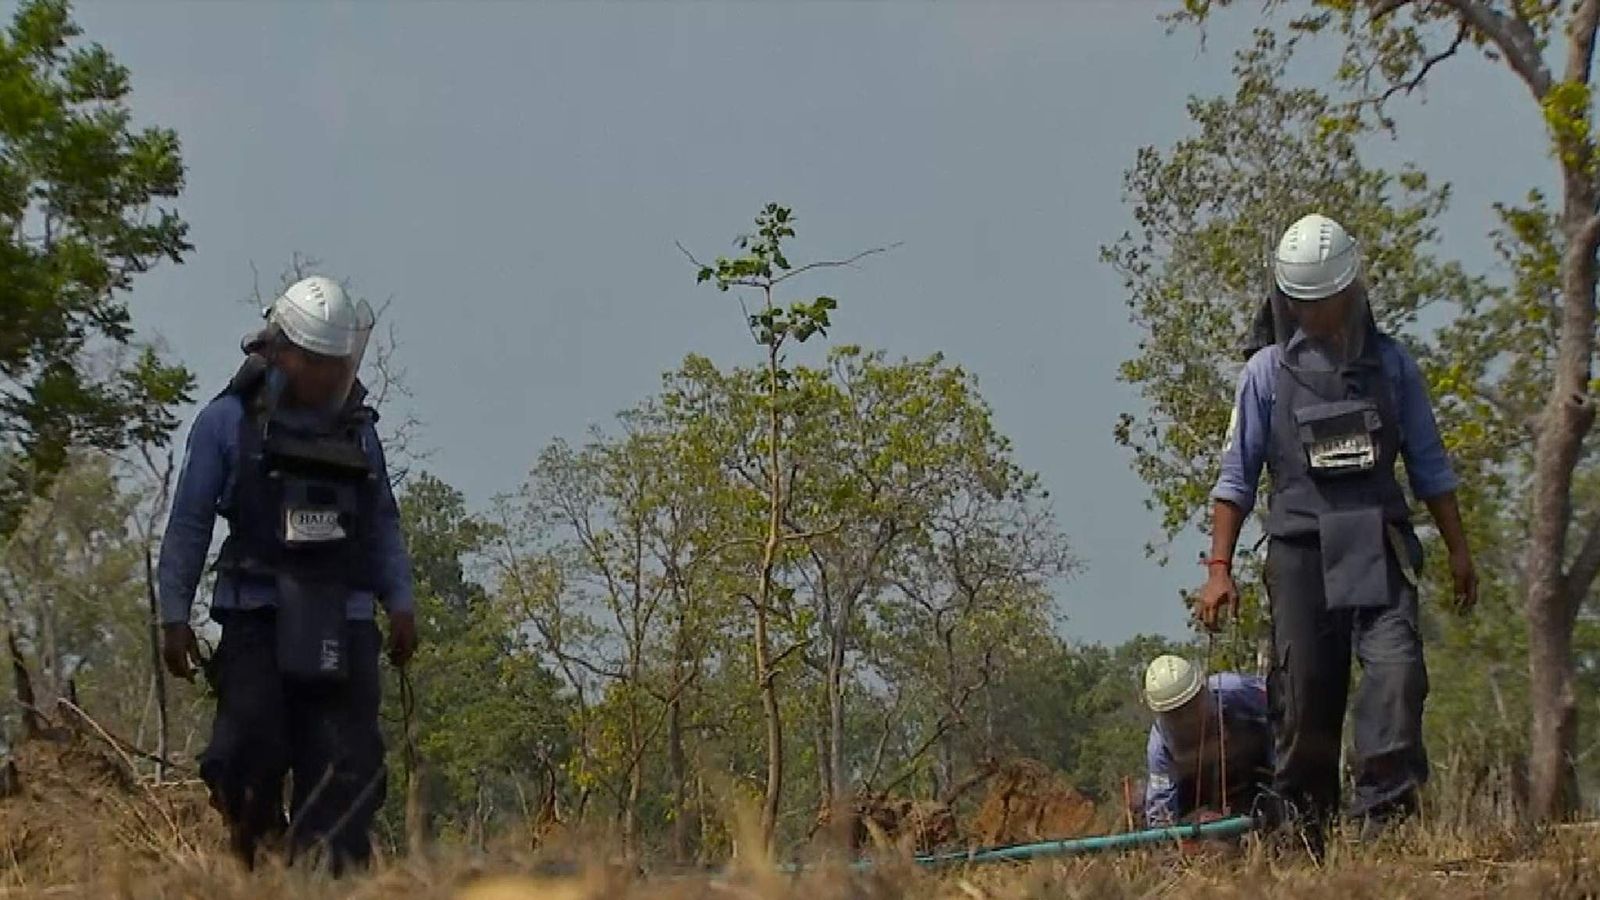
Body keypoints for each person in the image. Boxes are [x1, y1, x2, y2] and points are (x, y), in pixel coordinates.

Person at [1196, 213, 1477, 849]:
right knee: (1304, 699)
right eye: (1305, 303)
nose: (1318, 315)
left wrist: (1459, 552)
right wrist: (1219, 570)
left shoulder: (1394, 368)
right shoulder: (1265, 375)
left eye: (1328, 301)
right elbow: (1235, 479)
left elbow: (1430, 465)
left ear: (1352, 292)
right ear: (1287, 302)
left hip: (1376, 546)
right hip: (1300, 556)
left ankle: (1385, 827)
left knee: (1397, 674)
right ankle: (1302, 837)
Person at [157, 275, 418, 873]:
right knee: (245, 753)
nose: (329, 375)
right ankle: (259, 864)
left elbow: (381, 522)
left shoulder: (358, 430)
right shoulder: (225, 423)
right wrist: (174, 616)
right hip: (256, 619)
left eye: (337, 363)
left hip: (343, 622)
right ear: (281, 352)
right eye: (317, 362)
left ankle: (327, 881)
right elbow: (190, 523)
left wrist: (399, 602)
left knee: (345, 770)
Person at [1142, 654, 1273, 828]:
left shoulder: (1235, 690)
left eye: (1190, 706)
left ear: (1202, 690)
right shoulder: (1160, 748)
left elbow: (1284, 709)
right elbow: (1161, 813)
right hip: (1206, 807)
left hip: (1263, 778)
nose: (1186, 720)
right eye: (1175, 714)